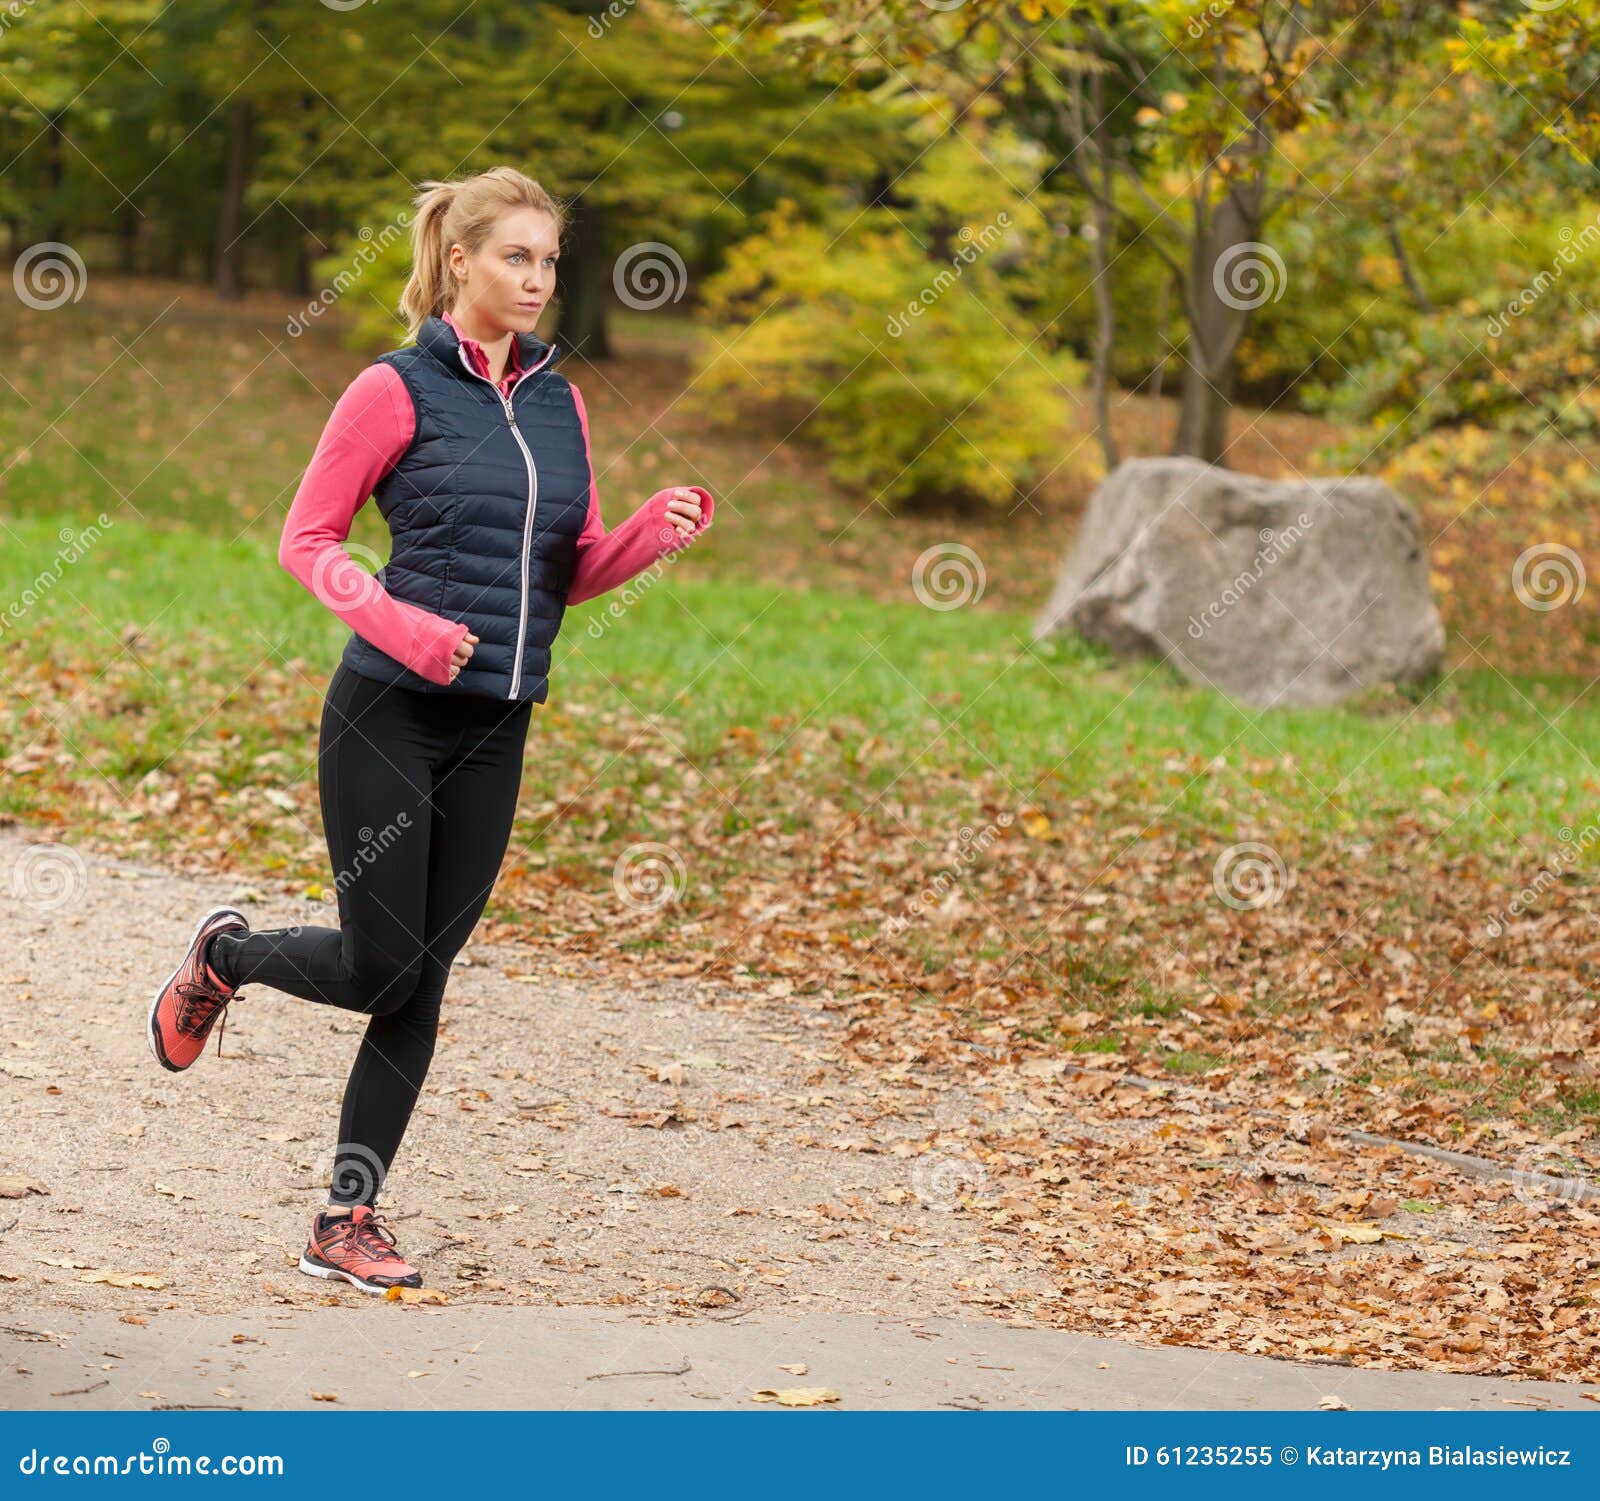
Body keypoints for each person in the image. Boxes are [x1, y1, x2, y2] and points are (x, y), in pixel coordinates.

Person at [146, 165, 714, 1294]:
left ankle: (343, 1218)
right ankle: (223, 957)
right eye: (516, 257)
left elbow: (569, 567)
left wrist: (647, 534)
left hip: (498, 725)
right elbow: (307, 541)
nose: (537, 280)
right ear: (460, 261)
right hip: (388, 713)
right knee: (376, 965)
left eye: (550, 261)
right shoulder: (391, 389)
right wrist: (400, 625)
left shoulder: (559, 397)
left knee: (423, 981)